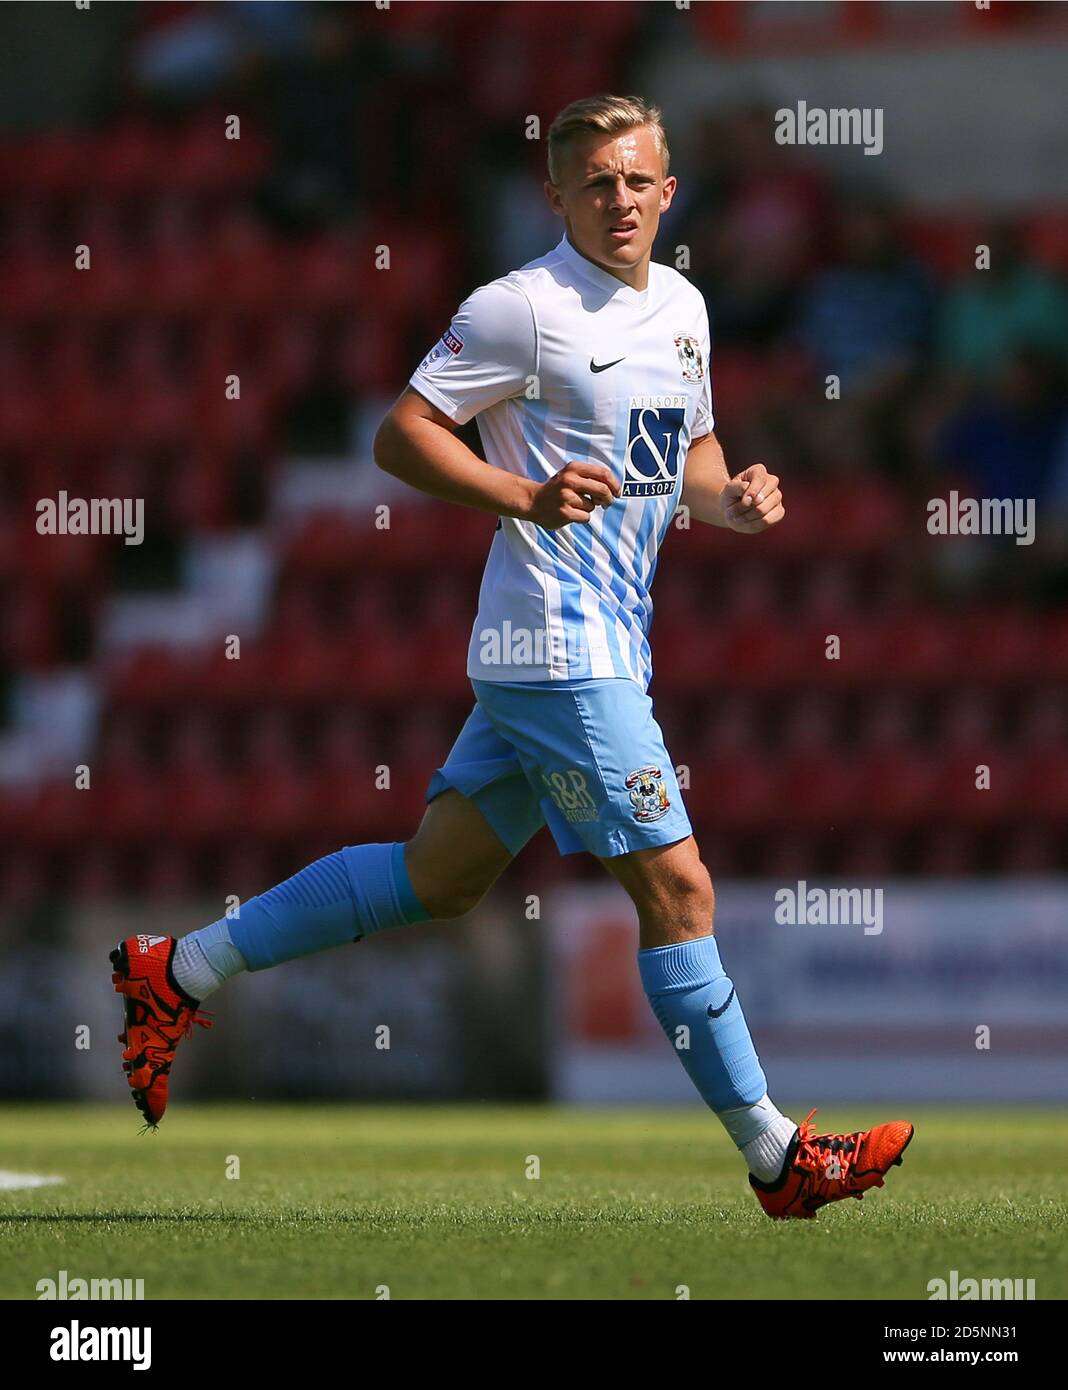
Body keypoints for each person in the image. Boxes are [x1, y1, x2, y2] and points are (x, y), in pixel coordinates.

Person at [111, 94, 912, 1220]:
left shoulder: (683, 306)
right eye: (595, 182)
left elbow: (684, 446)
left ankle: (178, 969)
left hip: (586, 645)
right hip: (557, 648)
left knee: (439, 878)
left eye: (637, 180)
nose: (619, 199)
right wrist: (520, 494)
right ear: (557, 197)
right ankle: (779, 1158)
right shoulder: (518, 309)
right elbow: (404, 433)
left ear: (669, 191)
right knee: (679, 888)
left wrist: (729, 498)